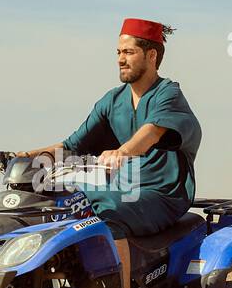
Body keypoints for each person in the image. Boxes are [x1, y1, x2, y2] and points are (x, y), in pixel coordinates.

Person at [17, 18, 202, 239]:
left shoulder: (167, 93)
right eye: (118, 52)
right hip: (120, 189)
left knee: (106, 214)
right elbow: (71, 146)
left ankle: (119, 275)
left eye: (128, 52)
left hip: (160, 196)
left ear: (151, 55)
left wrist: (121, 152)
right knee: (60, 202)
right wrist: (24, 157)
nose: (120, 60)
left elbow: (151, 131)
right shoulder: (112, 100)